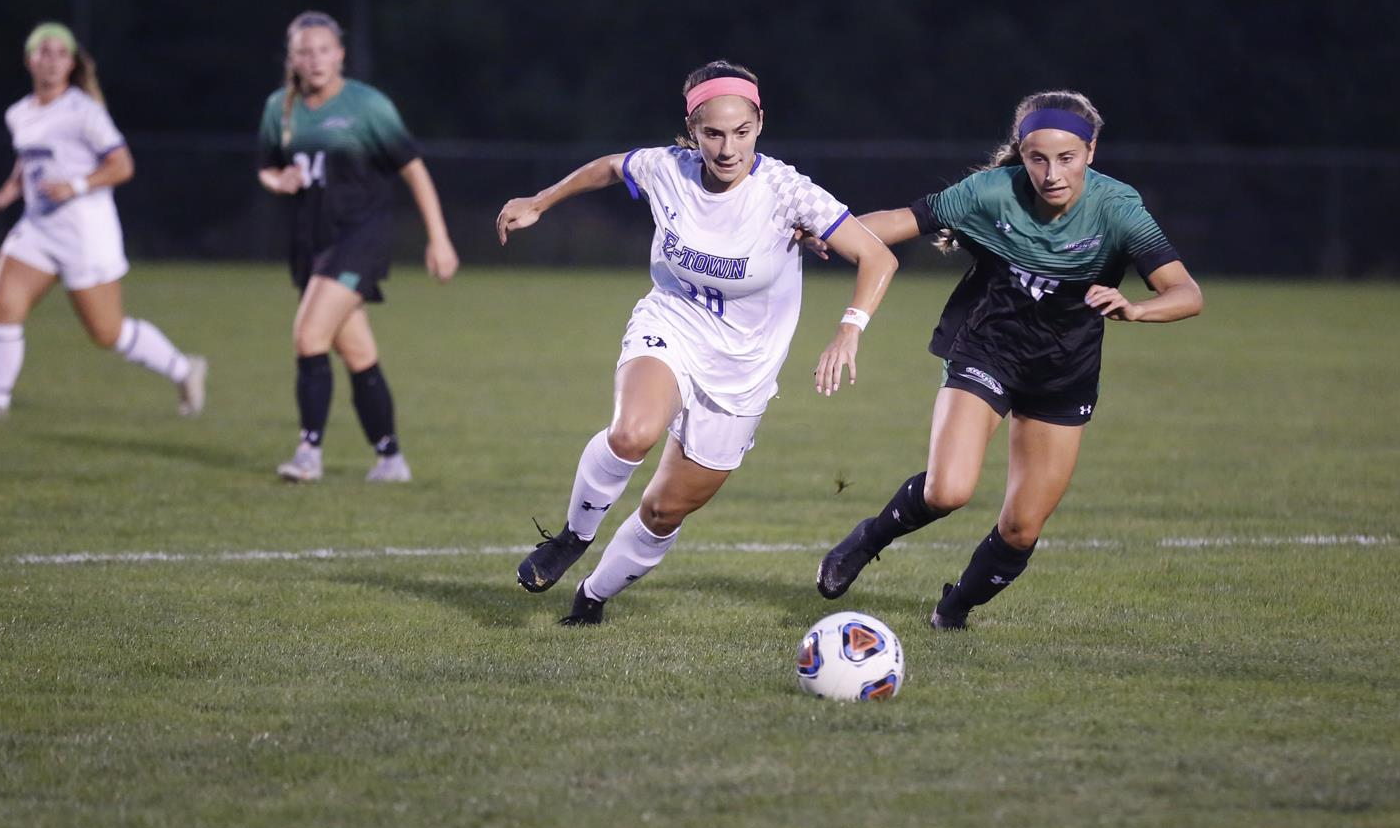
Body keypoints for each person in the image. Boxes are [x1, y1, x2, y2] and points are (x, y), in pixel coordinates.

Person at [495, 61, 898, 625]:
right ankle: (571, 537)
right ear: (693, 130)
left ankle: (592, 598)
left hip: (743, 371)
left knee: (662, 511)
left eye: (741, 131)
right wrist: (540, 200)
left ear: (760, 124)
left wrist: (849, 328)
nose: (728, 147)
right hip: (672, 324)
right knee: (632, 431)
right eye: (713, 133)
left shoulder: (785, 192)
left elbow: (878, 255)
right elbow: (612, 167)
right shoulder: (669, 170)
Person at [813, 89, 1202, 629]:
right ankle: (867, 539)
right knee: (947, 490)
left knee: (1021, 528)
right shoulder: (992, 191)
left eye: (1066, 157)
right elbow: (898, 222)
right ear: (1021, 151)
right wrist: (821, 230)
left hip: (1064, 375)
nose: (1051, 172)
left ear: (1091, 150)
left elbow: (1186, 293)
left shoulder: (1118, 209)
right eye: (1037, 157)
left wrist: (1136, 308)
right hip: (987, 351)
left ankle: (954, 611)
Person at [0, 23, 206, 422]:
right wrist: (7, 193)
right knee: (2, 307)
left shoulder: (84, 111)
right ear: (29, 59)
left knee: (106, 333)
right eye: (44, 52)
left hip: (85, 235)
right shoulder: (18, 113)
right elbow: (29, 158)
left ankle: (182, 369)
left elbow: (122, 165)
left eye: (60, 53)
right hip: (37, 230)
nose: (51, 61)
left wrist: (75, 185)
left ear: (72, 63)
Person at [257, 11, 459, 483]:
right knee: (357, 352)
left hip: (360, 237)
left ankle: (309, 452)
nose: (315, 59)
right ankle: (391, 459)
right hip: (313, 242)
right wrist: (278, 179)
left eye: (324, 49)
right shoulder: (279, 108)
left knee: (309, 337)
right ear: (292, 58)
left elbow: (414, 170)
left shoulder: (367, 107)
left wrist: (439, 238)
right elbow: (267, 166)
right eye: (305, 51)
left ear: (340, 54)